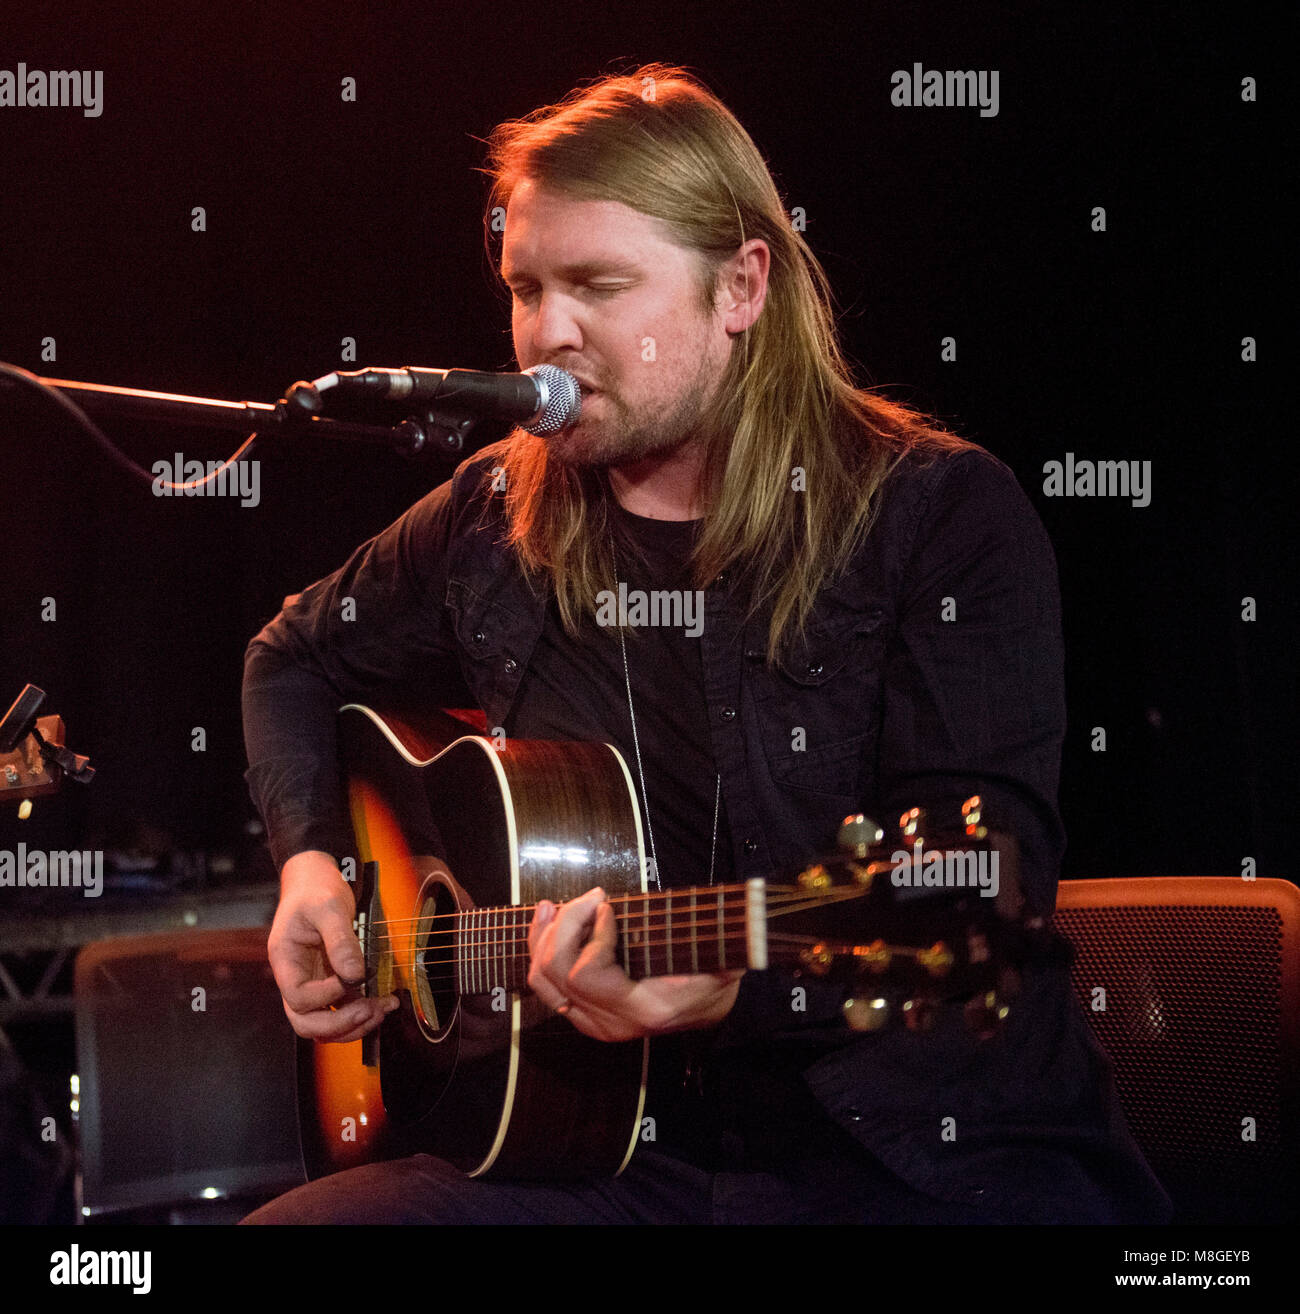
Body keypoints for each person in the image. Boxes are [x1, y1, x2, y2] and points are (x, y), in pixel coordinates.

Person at [239, 63, 1171, 1224]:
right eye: (525, 288)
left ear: (741, 286)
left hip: (911, 1158)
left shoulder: (935, 516)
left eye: (596, 285)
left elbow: (976, 889)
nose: (546, 332)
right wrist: (312, 865)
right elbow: (292, 656)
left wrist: (737, 987)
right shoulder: (491, 515)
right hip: (598, 1152)